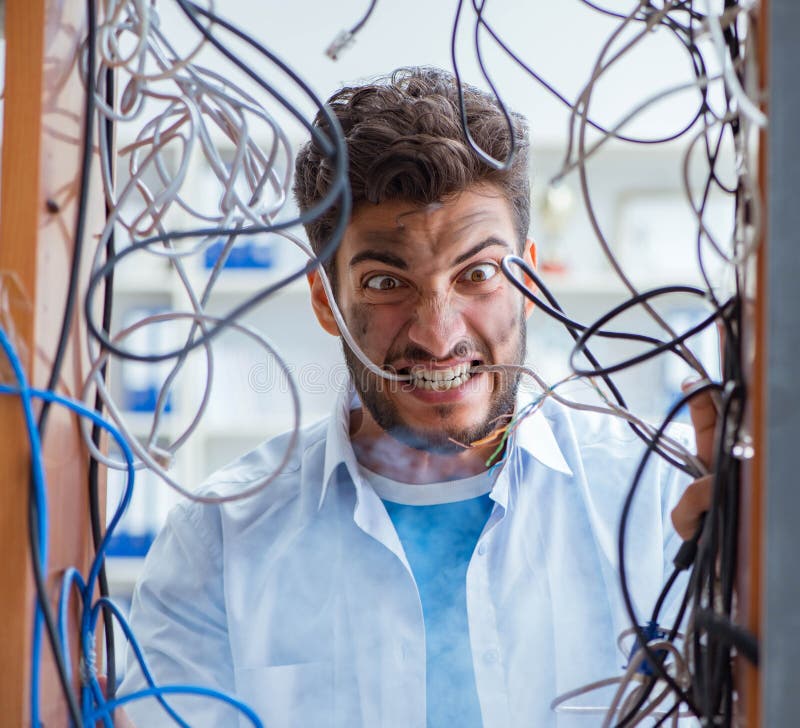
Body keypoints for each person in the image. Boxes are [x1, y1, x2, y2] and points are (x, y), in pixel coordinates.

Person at [117, 67, 713, 727]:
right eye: (383, 282)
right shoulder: (219, 544)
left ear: (531, 280)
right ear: (326, 300)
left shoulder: (664, 498)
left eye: (478, 274)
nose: (439, 334)